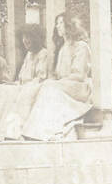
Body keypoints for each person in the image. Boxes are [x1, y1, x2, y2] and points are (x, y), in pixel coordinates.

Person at [22, 8, 94, 140]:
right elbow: (57, 74)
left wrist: (57, 82)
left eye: (60, 23)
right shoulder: (62, 48)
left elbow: (79, 75)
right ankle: (35, 131)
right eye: (57, 24)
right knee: (43, 87)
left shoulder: (81, 46)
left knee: (50, 86)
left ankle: (47, 130)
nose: (57, 26)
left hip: (79, 87)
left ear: (69, 25)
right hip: (65, 85)